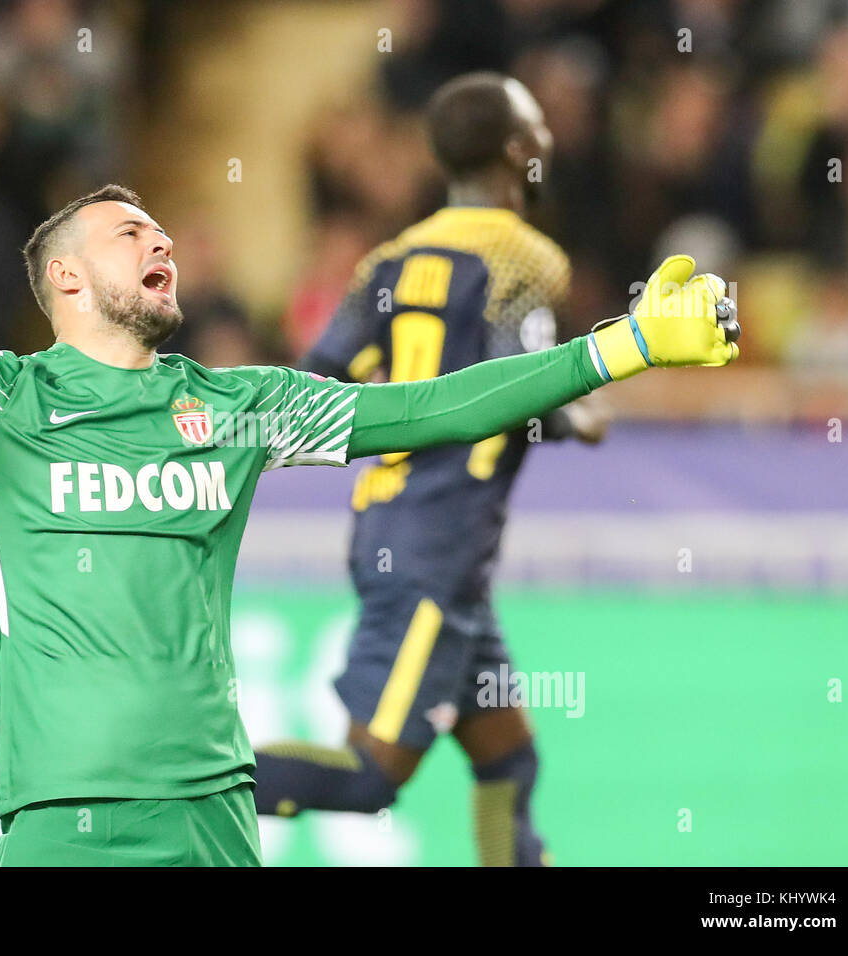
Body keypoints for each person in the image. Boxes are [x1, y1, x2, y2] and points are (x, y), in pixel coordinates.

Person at [0, 132, 737, 867]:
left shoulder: (237, 405)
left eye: (162, 231)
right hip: (56, 821)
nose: (161, 240)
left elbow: (432, 410)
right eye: (132, 233)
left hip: (212, 812)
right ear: (68, 280)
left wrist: (623, 343)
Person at [252, 73, 621, 865]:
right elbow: (522, 389)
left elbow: (318, 379)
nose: (548, 145)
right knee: (368, 777)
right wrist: (581, 412)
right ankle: (179, 783)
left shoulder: (390, 258)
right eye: (540, 132)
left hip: (411, 535)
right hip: (436, 547)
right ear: (521, 151)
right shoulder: (527, 260)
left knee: (509, 757)